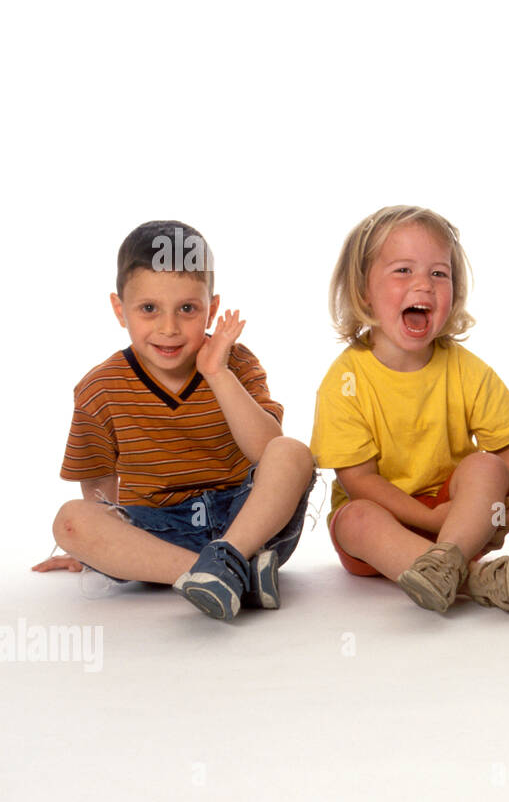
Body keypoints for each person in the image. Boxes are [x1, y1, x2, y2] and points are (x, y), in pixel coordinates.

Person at [38, 220, 316, 622]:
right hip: (160, 532)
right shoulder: (99, 388)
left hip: (246, 523)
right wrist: (96, 544)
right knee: (70, 521)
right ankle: (228, 573)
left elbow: (267, 450)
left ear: (212, 308)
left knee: (292, 452)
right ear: (120, 309)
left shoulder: (235, 363)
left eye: (187, 309)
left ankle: (229, 558)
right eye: (149, 309)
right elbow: (98, 486)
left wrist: (218, 373)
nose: (168, 328)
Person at [311, 206, 509, 615]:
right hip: (384, 526)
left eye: (439, 273)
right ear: (363, 290)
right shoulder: (344, 379)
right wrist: (429, 522)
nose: (425, 285)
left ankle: (448, 562)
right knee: (354, 518)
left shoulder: (467, 369)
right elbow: (359, 480)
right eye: (402, 271)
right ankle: (475, 577)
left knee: (486, 467)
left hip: (458, 520)